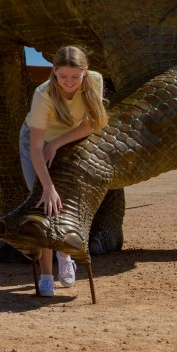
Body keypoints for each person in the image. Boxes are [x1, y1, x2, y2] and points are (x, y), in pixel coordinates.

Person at [19, 45, 109, 297]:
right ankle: (47, 274)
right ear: (54, 71)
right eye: (63, 76)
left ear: (85, 72)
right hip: (35, 144)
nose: (69, 82)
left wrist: (58, 144)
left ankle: (64, 255)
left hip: (70, 140)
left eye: (75, 76)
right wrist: (47, 186)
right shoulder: (43, 94)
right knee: (44, 206)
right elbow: (37, 147)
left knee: (66, 202)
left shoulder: (94, 81)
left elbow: (92, 124)